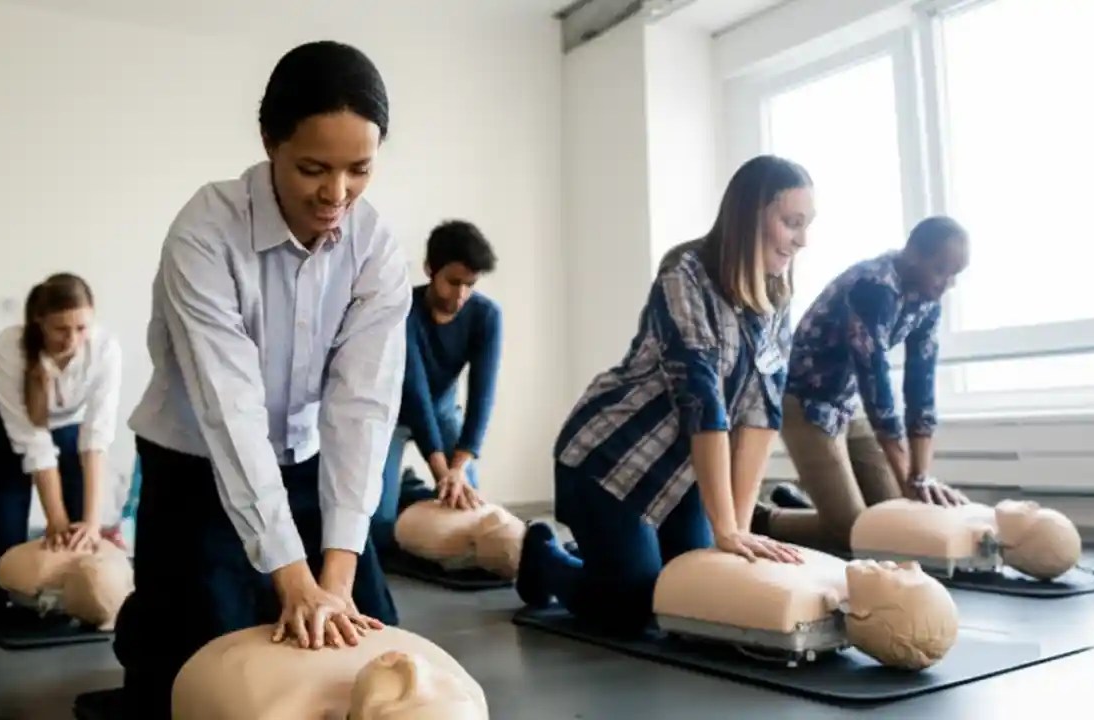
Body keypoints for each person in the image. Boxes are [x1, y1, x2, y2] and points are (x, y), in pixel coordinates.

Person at [112, 41, 411, 718]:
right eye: (313, 169)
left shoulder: (376, 248)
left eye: (359, 170)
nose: (337, 194)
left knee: (369, 631)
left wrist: (331, 578)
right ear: (268, 142)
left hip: (305, 457)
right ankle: (147, 625)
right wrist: (288, 576)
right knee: (196, 661)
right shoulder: (206, 232)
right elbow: (230, 411)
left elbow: (361, 409)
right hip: (192, 459)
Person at [514, 155, 814, 635]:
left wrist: (735, 533)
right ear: (751, 215)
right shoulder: (685, 272)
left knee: (692, 592)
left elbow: (761, 413)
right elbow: (703, 402)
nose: (802, 240)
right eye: (791, 223)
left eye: (806, 225)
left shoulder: (776, 297)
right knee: (636, 605)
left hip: (680, 476)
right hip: (608, 460)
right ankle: (545, 556)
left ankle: (601, 554)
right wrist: (727, 529)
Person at [758, 216, 971, 554]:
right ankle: (763, 519)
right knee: (855, 533)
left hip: (846, 404)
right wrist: (909, 482)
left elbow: (921, 386)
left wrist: (920, 477)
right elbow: (877, 384)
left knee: (890, 519)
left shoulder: (927, 298)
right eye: (941, 270)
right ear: (914, 254)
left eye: (955, 275)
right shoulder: (873, 287)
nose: (947, 283)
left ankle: (802, 500)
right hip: (803, 401)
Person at [0, 273, 122, 608]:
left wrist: (91, 521)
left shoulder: (105, 348)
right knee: (1, 564)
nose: (73, 339)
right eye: (61, 329)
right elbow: (34, 441)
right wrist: (53, 519)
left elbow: (97, 436)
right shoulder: (10, 347)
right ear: (39, 321)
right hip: (6, 437)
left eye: (82, 328)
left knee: (79, 538)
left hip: (70, 432)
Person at [369, 219, 502, 554]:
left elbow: (482, 394)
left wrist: (458, 469)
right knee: (379, 529)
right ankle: (407, 491)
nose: (460, 295)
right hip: (392, 414)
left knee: (465, 504)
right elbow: (414, 393)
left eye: (470, 285)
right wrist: (441, 471)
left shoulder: (486, 315)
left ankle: (412, 487)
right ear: (430, 269)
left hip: (442, 410)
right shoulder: (403, 311)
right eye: (453, 282)